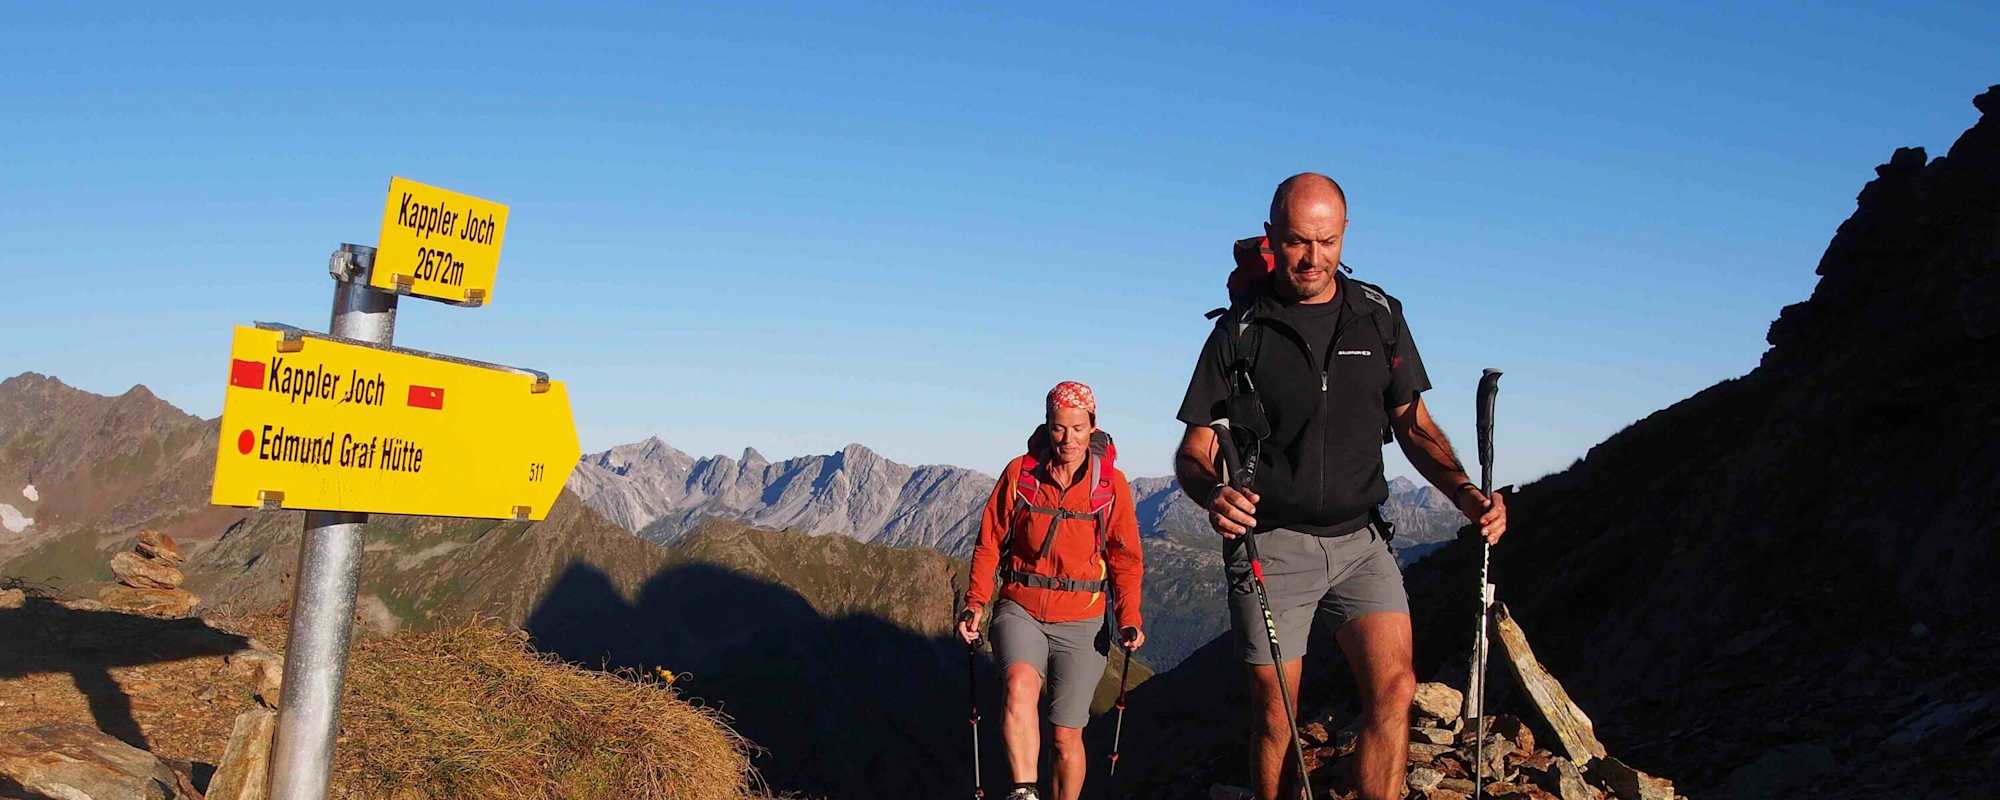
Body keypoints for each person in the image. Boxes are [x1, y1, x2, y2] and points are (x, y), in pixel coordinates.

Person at [1173, 173, 1508, 800]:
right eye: (1299, 241)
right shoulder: (1239, 332)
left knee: (1395, 689)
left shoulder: (1378, 317)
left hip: (1361, 541)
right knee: (1276, 718)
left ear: (1345, 232)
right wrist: (1210, 493)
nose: (1313, 258)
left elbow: (1413, 423)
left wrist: (1466, 495)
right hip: (1270, 545)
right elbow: (1195, 451)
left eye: (1327, 241)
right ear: (1273, 235)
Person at [961, 381, 1146, 800]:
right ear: (1047, 426)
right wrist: (976, 602)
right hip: (1021, 606)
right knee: (1018, 685)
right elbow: (989, 542)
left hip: (1083, 618)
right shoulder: (1021, 474)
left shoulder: (1110, 486)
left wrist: (1129, 617)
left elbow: (1125, 558)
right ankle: (1024, 792)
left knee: (1066, 734)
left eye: (1078, 428)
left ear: (1093, 427)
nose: (1068, 439)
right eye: (1059, 428)